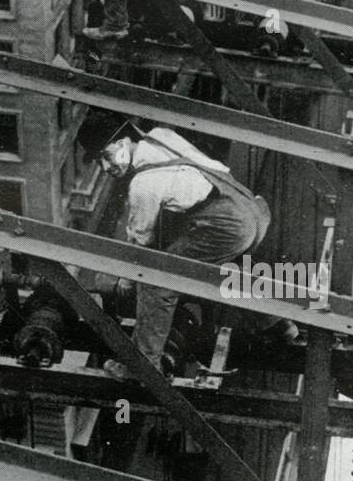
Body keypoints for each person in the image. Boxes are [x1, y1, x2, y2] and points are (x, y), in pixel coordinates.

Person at [98, 126, 270, 379]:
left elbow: (140, 240)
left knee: (156, 282)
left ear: (123, 141)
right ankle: (277, 323)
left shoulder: (142, 184)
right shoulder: (159, 135)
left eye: (106, 155)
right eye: (98, 162)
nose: (105, 167)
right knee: (222, 270)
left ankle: (141, 367)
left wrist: (127, 277)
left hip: (227, 224)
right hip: (251, 210)